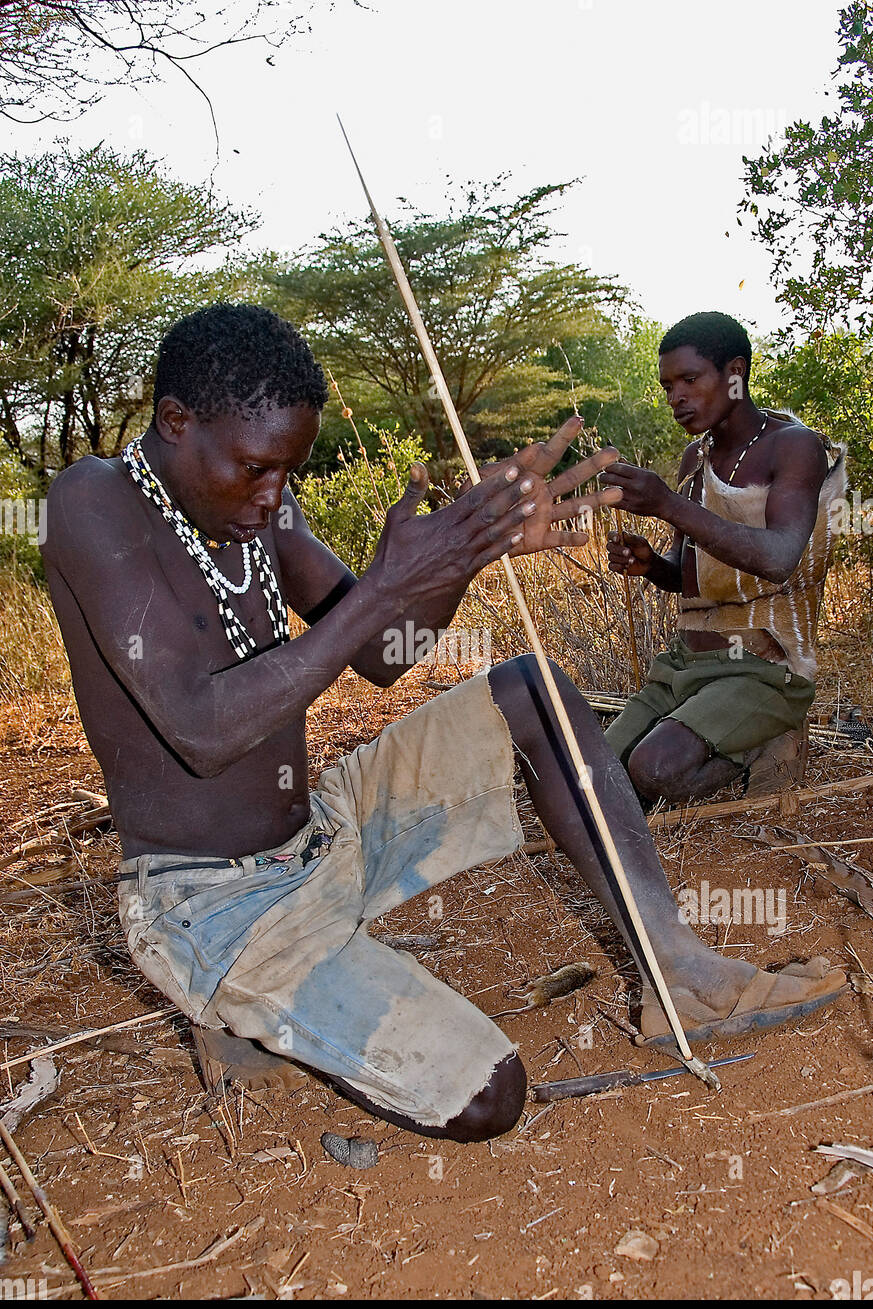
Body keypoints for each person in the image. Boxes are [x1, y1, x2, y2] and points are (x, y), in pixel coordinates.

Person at [41, 304, 845, 1143]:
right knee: (489, 1097)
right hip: (216, 906)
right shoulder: (93, 502)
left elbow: (385, 653)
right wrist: (390, 583)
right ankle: (255, 1006)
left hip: (324, 833)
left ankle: (677, 969)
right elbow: (201, 728)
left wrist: (466, 548)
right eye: (255, 468)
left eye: (288, 471)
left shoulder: (261, 511)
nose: (273, 493)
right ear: (175, 423)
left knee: (532, 691)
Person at [601, 311, 846, 806]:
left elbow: (780, 558)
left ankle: (765, 750)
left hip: (764, 667)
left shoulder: (794, 447)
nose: (676, 398)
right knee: (599, 774)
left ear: (735, 374)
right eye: (668, 385)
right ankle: (717, 737)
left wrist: (669, 503)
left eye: (690, 379)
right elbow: (684, 574)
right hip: (685, 665)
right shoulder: (696, 459)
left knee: (650, 771)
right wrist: (651, 564)